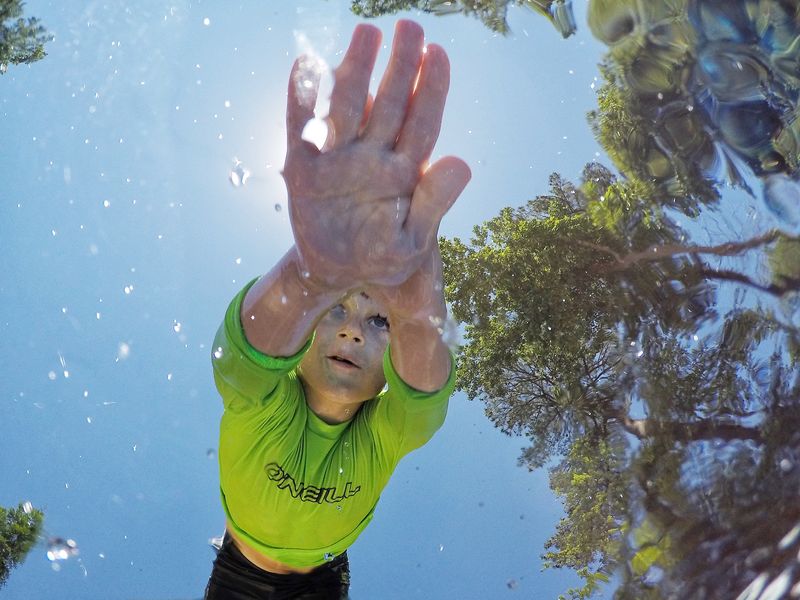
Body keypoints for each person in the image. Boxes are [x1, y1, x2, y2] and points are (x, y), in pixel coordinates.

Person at [204, 19, 471, 600]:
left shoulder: (385, 432)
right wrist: (311, 276)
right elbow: (243, 359)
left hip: (326, 577)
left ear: (391, 363)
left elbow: (424, 396)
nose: (352, 329)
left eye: (379, 322)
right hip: (240, 575)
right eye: (335, 310)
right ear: (297, 344)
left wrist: (418, 312)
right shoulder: (263, 403)